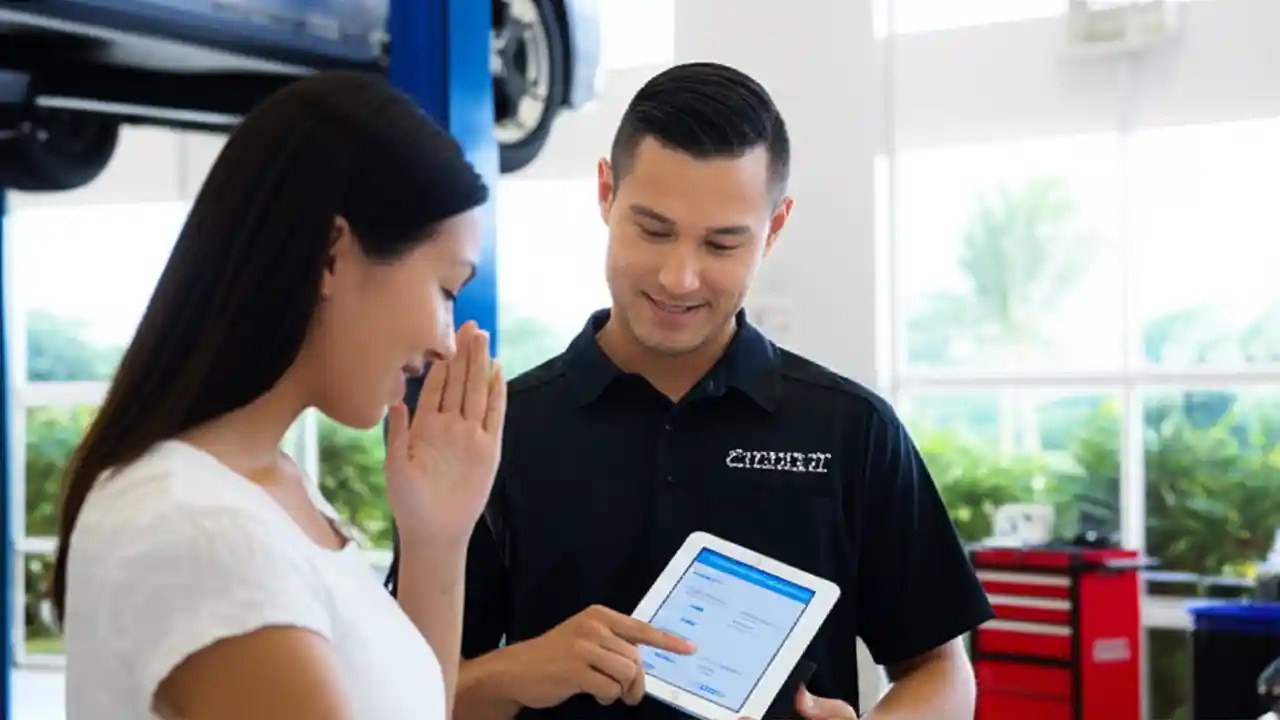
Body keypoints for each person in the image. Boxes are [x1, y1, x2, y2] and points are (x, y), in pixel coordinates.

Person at [391, 61, 997, 720]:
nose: (680, 277)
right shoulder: (504, 432)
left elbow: (941, 670)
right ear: (605, 192)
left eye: (721, 244)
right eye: (653, 230)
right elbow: (408, 695)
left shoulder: (852, 430)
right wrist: (517, 670)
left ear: (776, 225)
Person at [52, 71, 506, 720]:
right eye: (445, 289)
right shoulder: (198, 526)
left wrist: (437, 538)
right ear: (330, 255)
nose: (445, 340)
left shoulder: (269, 490)